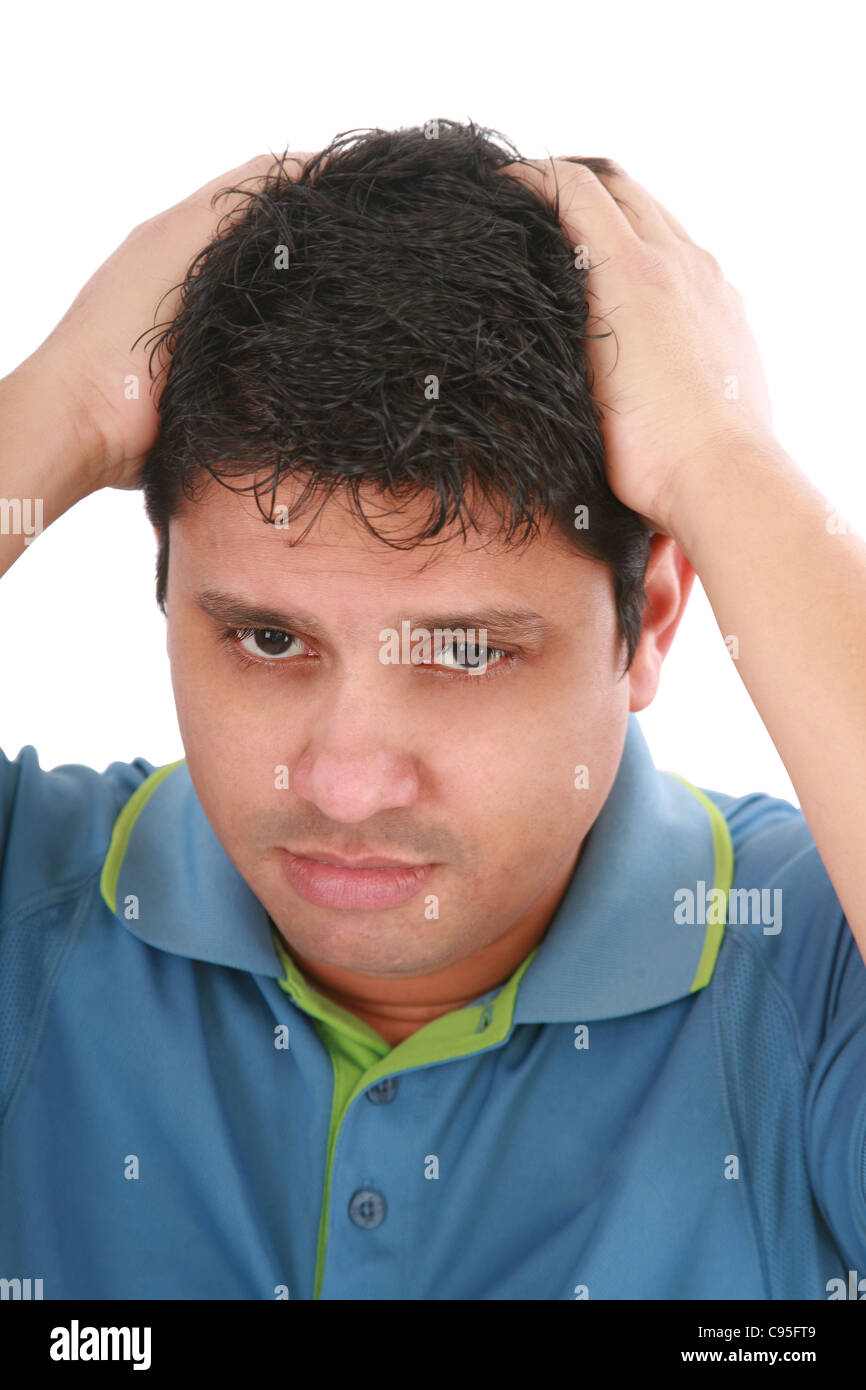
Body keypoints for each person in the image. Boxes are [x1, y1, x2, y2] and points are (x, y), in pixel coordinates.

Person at [1, 120, 864, 1302]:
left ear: (650, 620)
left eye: (464, 652)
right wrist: (54, 409)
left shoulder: (813, 981)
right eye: (266, 639)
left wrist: (717, 460)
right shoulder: (24, 906)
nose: (347, 786)